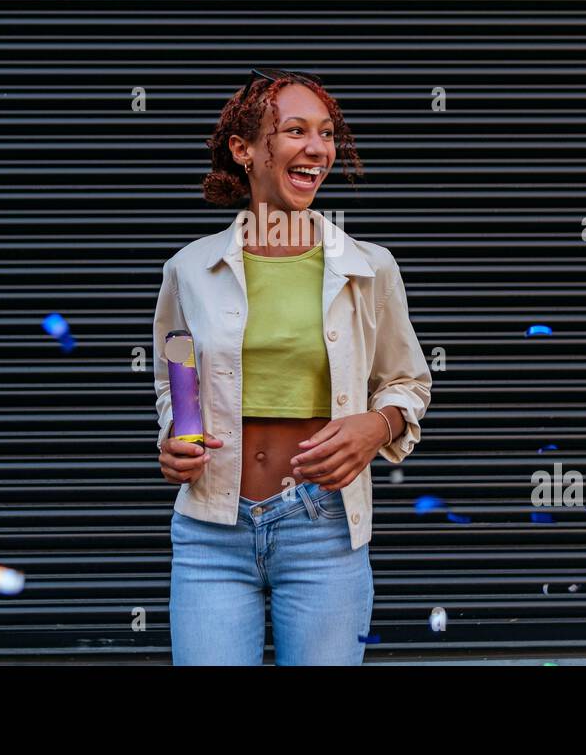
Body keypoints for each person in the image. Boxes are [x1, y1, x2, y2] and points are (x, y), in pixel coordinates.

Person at [153, 68, 432, 665]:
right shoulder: (190, 269)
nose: (317, 149)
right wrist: (173, 438)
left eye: (326, 134)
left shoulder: (369, 268)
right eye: (295, 131)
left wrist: (376, 426)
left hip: (322, 526)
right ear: (245, 150)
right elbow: (173, 380)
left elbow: (408, 382)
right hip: (210, 530)